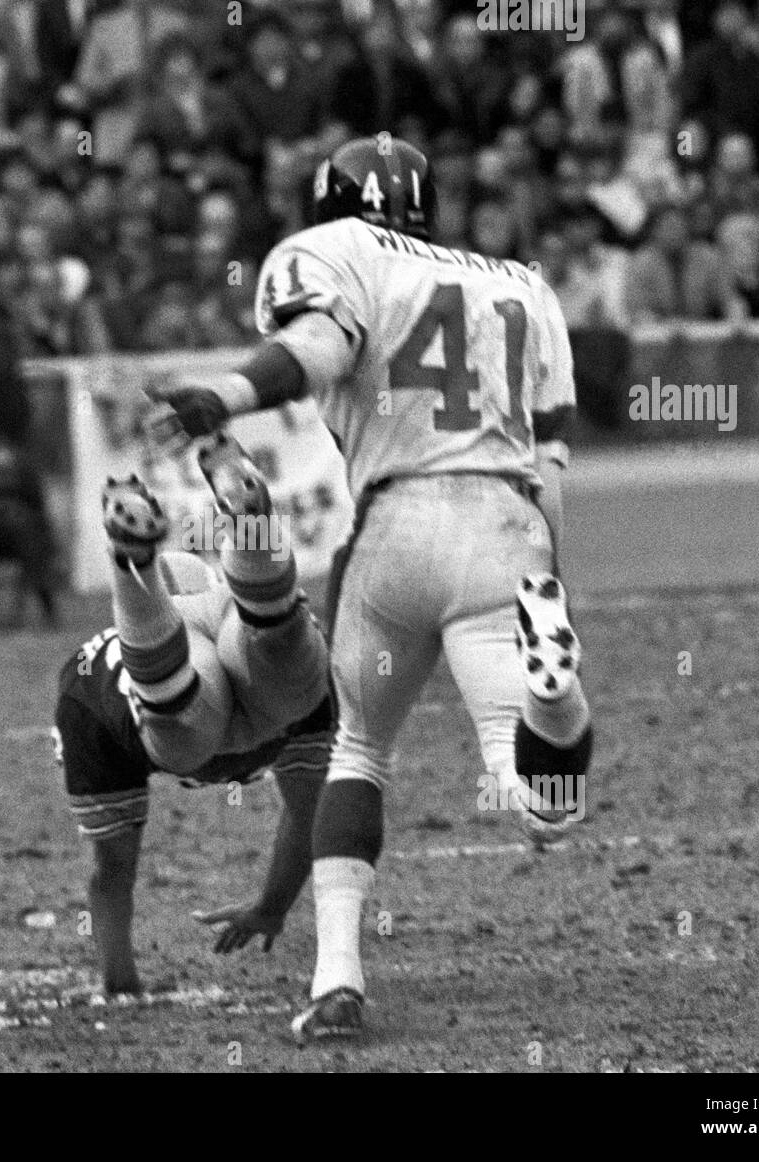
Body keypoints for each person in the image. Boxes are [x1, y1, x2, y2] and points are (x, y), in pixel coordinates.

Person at [147, 135, 594, 1043]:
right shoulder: (520, 284)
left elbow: (312, 348)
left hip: (393, 526)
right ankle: (553, 698)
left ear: (331, 202)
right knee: (540, 801)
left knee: (359, 750)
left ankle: (337, 981)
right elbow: (548, 466)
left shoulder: (339, 254)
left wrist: (228, 397)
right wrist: (551, 579)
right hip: (504, 524)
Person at [54, 433, 333, 995]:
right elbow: (308, 816)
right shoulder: (212, 604)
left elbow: (112, 877)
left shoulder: (84, 695)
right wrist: (272, 907)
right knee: (279, 647)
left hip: (161, 657)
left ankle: (131, 567)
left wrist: (120, 983)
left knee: (181, 724)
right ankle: (254, 542)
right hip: (229, 612)